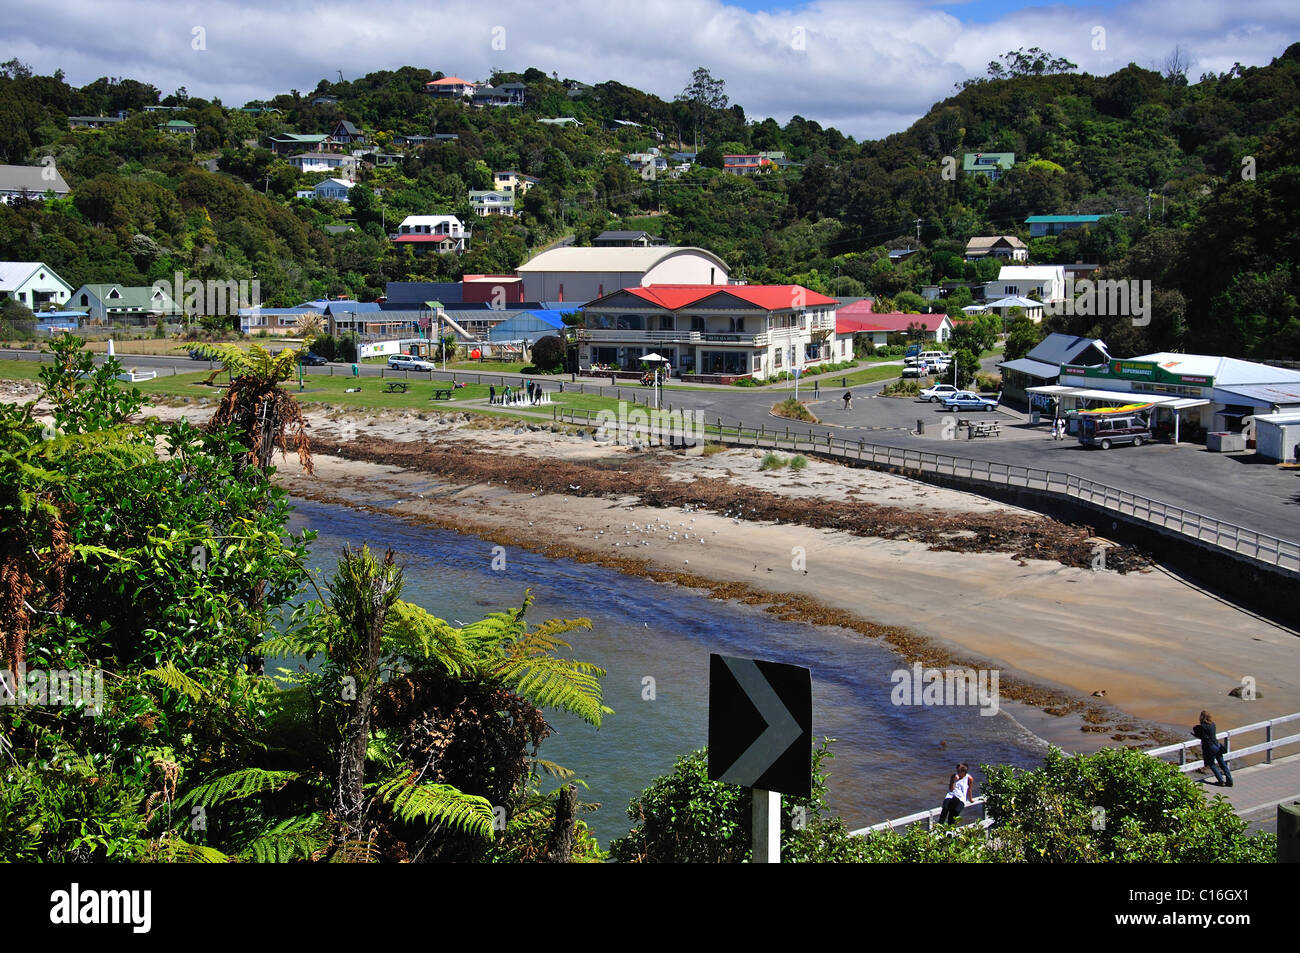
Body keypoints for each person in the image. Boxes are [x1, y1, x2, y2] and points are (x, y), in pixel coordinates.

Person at [1193, 710, 1233, 786]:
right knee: (1222, 764)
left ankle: (1221, 780)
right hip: (1217, 745)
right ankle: (1230, 781)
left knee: (1211, 764)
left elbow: (1202, 735)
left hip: (1210, 747)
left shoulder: (1203, 726)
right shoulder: (1213, 724)